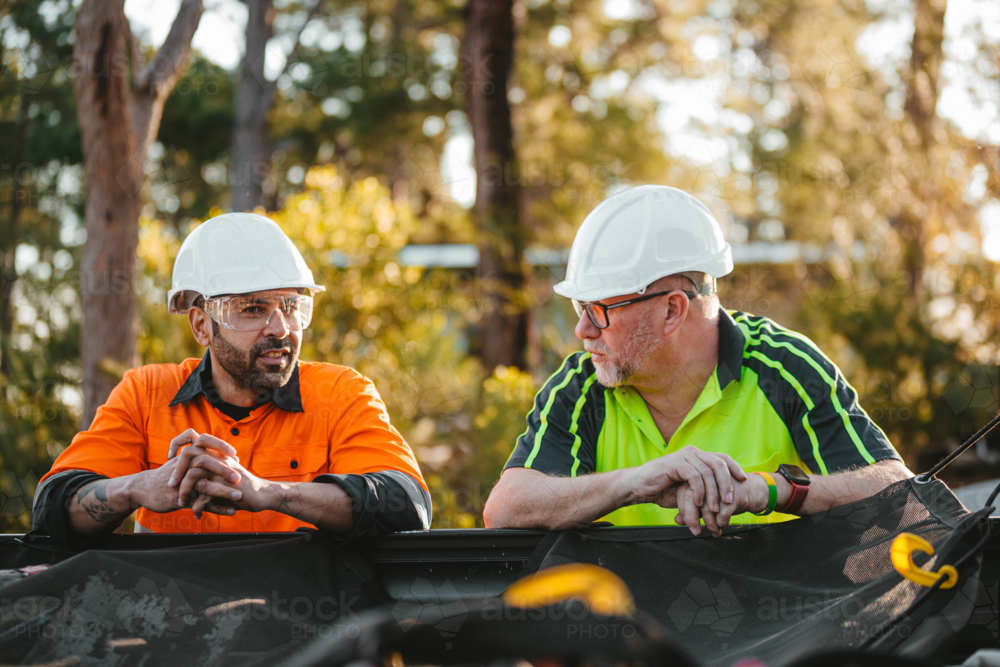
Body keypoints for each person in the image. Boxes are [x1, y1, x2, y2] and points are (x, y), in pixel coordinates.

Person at [484, 185, 912, 536]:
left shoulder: (785, 366)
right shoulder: (579, 386)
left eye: (600, 310)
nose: (583, 331)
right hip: (625, 635)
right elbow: (504, 507)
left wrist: (768, 491)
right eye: (582, 307)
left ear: (672, 310)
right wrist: (636, 482)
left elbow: (898, 492)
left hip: (785, 634)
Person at [34, 213, 430, 545]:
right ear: (202, 326)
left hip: (309, 625)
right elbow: (52, 508)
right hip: (171, 629)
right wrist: (138, 487)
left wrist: (271, 493)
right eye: (254, 309)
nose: (281, 328)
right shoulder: (146, 394)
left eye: (292, 307)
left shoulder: (340, 394)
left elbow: (407, 505)